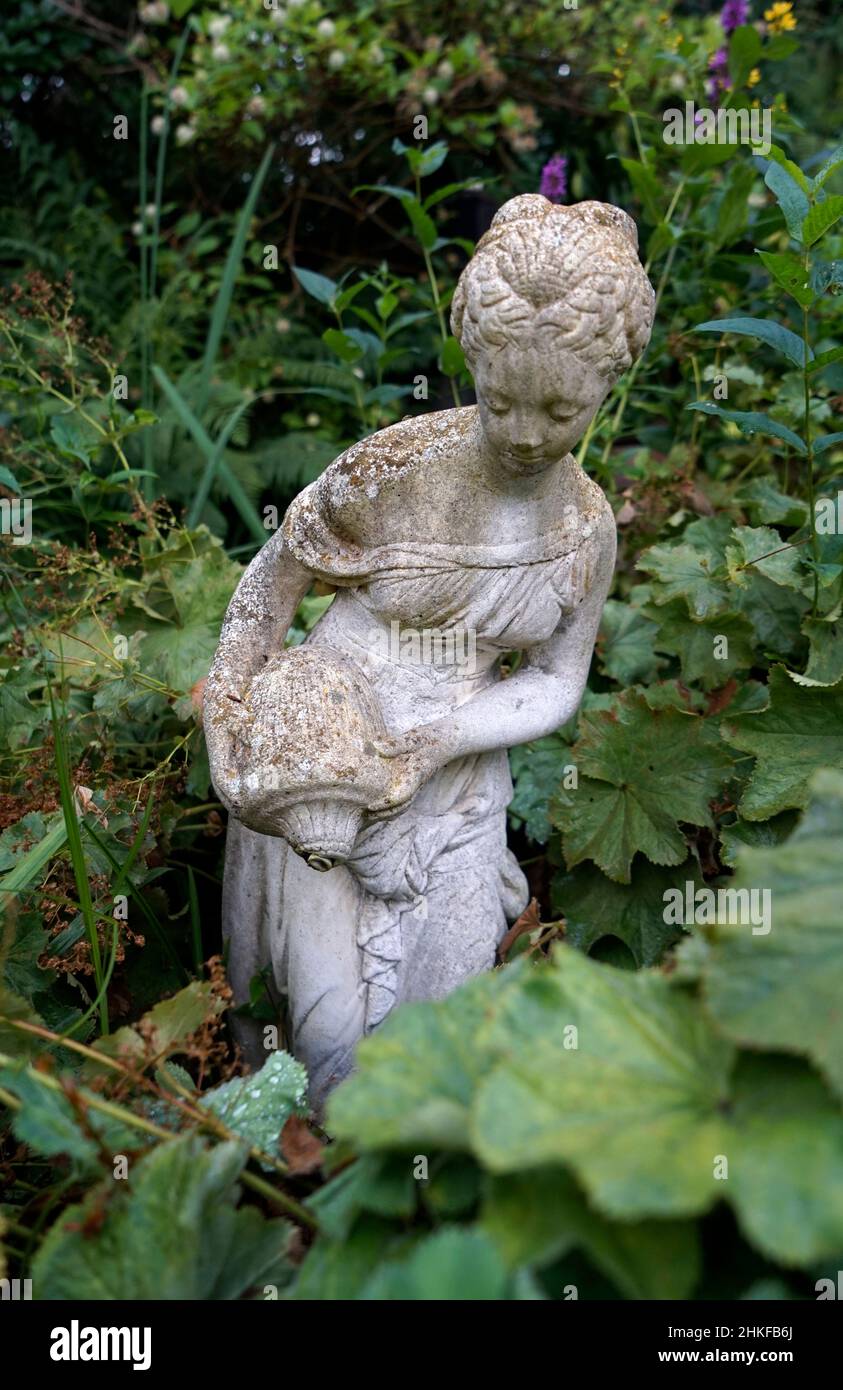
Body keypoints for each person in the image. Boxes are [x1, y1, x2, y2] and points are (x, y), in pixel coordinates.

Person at [204, 193, 655, 1104]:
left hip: (452, 775)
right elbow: (267, 590)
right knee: (329, 1053)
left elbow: (558, 680)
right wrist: (230, 710)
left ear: (610, 383)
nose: (527, 434)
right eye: (501, 401)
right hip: (326, 760)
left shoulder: (585, 527)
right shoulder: (392, 476)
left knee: (441, 1050)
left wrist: (438, 745)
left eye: (561, 410)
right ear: (472, 365)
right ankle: (297, 1204)